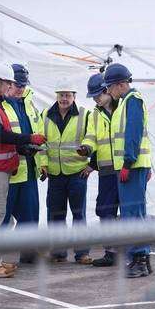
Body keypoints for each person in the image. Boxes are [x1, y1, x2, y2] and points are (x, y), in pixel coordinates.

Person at [0, 62, 46, 278]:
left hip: (1, 170)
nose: (9, 88)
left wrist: (25, 148)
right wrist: (28, 138)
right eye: (7, 83)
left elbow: (5, 141)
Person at [102, 63, 153, 278]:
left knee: (132, 214)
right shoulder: (127, 102)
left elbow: (133, 133)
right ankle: (143, 259)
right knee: (137, 213)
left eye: (110, 87)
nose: (108, 92)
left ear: (120, 84)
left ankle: (139, 259)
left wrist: (127, 163)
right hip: (135, 167)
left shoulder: (131, 101)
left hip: (130, 167)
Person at [38, 81, 93, 264]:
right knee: (56, 215)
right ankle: (58, 253)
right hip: (55, 174)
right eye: (61, 95)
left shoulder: (85, 115)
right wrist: (43, 165)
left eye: (68, 95)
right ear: (56, 96)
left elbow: (92, 137)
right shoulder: (46, 115)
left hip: (77, 173)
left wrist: (88, 153)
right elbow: (42, 145)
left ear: (74, 96)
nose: (64, 98)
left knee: (79, 214)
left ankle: (82, 253)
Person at [2, 64, 43, 263]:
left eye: (23, 85)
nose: (21, 89)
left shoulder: (29, 103)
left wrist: (41, 162)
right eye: (17, 84)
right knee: (2, 216)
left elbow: (38, 133)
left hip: (29, 168)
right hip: (9, 169)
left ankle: (28, 252)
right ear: (8, 83)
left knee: (30, 215)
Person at [79, 73, 119, 267]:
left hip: (126, 169)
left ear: (107, 90)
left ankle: (134, 252)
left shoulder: (125, 108)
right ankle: (111, 252)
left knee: (130, 212)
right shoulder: (95, 114)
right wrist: (86, 148)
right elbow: (91, 136)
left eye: (97, 95)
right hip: (107, 172)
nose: (95, 100)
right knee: (105, 210)